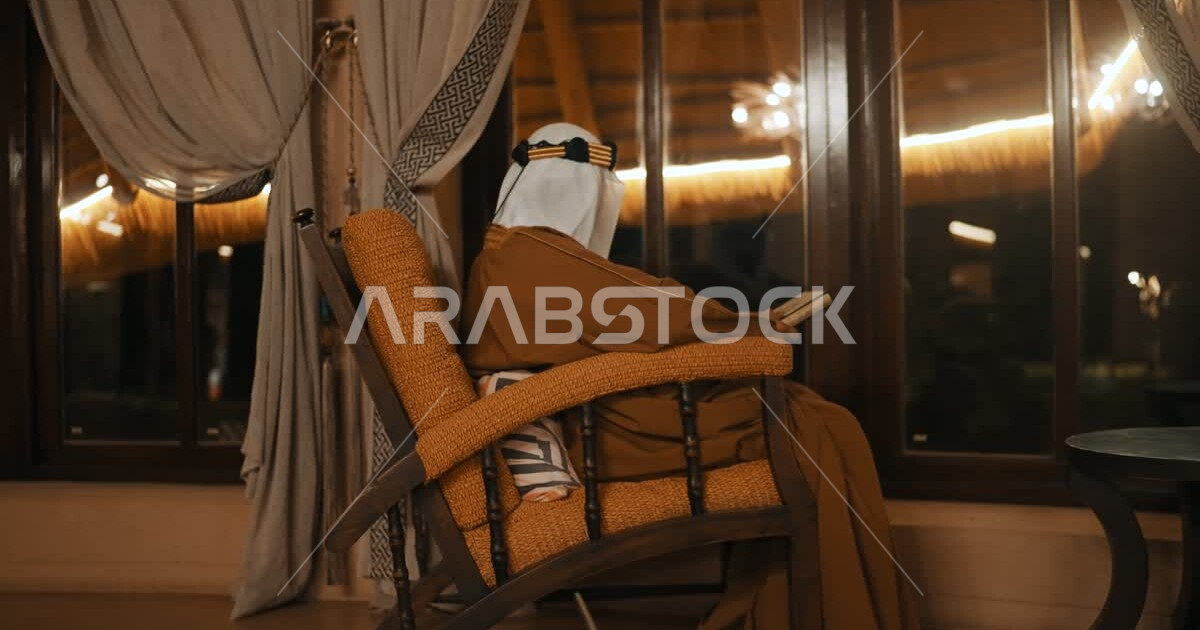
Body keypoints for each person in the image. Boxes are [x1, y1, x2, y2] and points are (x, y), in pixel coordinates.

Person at [462, 123, 921, 630]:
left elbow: (627, 311)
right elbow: (650, 311)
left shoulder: (508, 253)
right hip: (601, 431)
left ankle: (791, 611)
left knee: (811, 416)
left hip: (598, 416)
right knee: (823, 424)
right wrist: (752, 325)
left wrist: (746, 323)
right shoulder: (529, 254)